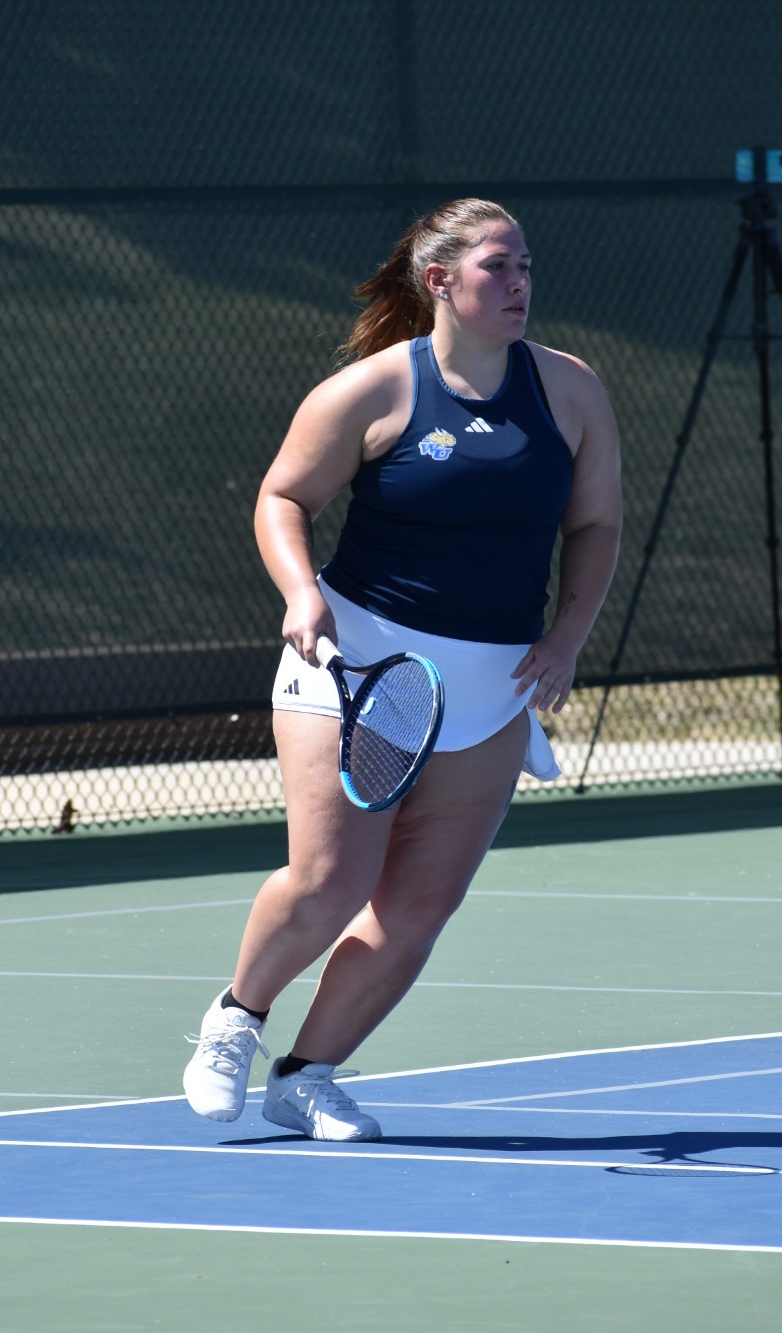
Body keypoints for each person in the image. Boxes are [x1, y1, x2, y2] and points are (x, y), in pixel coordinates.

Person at [181, 199, 622, 1141]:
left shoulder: (571, 391)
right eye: (499, 268)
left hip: (495, 686)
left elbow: (595, 525)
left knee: (420, 905)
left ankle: (306, 1076)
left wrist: (566, 638)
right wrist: (303, 594)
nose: (520, 285)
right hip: (357, 663)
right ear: (441, 282)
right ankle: (236, 1017)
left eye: (526, 267)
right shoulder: (372, 392)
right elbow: (282, 496)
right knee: (331, 881)